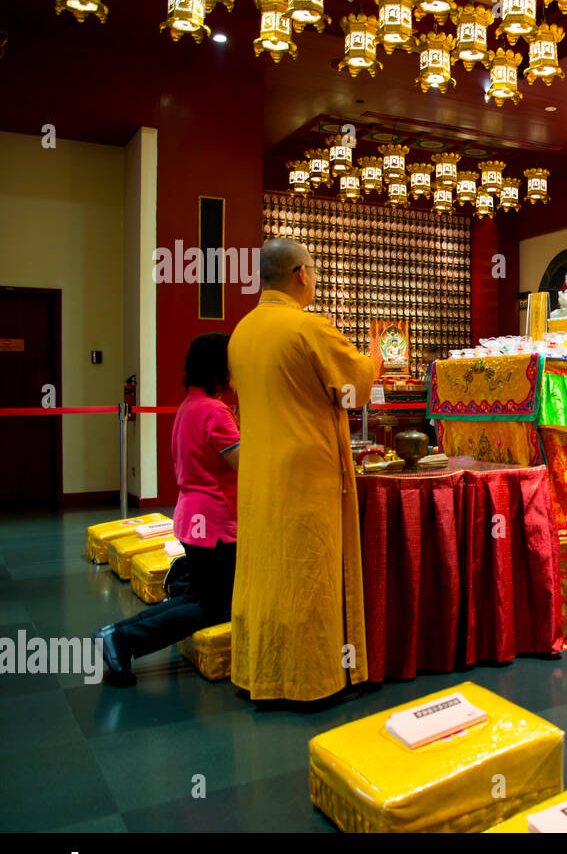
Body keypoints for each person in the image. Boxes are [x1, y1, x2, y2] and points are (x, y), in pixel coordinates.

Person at [226, 237, 378, 703]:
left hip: (258, 476)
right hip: (306, 474)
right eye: (313, 271)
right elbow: (358, 387)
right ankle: (313, 679)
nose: (314, 278)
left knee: (266, 573)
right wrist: (373, 352)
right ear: (300, 275)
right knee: (309, 573)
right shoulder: (305, 328)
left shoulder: (242, 331)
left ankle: (262, 671)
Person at [94, 333, 239, 684]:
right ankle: (124, 639)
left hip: (193, 516)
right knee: (214, 605)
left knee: (197, 595)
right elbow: (244, 464)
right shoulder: (214, 411)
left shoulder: (191, 404)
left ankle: (115, 632)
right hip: (216, 522)